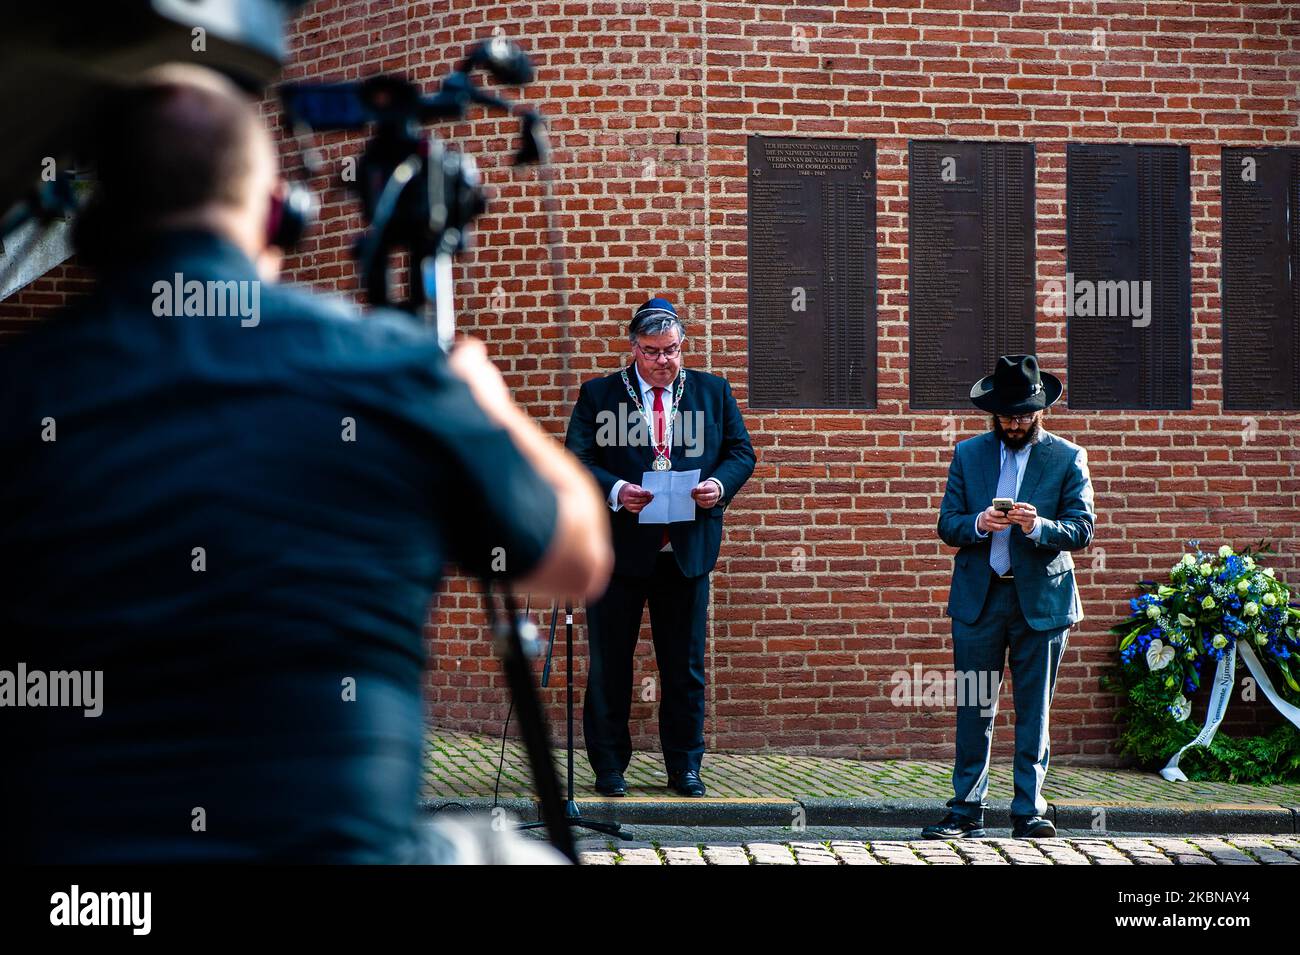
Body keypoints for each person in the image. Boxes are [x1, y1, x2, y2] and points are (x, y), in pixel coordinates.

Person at [0, 65, 610, 862]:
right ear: (278, 216)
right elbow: (578, 557)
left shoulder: (21, 393)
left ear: (97, 221)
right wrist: (488, 405)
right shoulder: (384, 371)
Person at [564, 299, 755, 797]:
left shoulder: (713, 391)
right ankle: (609, 768)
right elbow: (575, 459)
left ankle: (685, 767)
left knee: (685, 666)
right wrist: (615, 491)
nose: (663, 361)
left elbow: (741, 452)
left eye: (671, 350)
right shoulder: (600, 394)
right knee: (610, 663)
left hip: (685, 550)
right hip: (619, 552)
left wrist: (719, 485)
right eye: (651, 352)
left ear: (682, 345)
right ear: (633, 349)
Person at [923, 354, 1095, 840]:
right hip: (980, 599)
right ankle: (965, 810)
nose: (1014, 423)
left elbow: (1083, 530)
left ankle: (1028, 810)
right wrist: (979, 523)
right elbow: (947, 524)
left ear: (1039, 410)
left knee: (1033, 707)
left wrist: (1036, 525)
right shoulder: (969, 453)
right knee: (974, 707)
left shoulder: (1067, 457)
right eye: (1006, 416)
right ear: (993, 414)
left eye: (1022, 415)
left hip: (1041, 601)